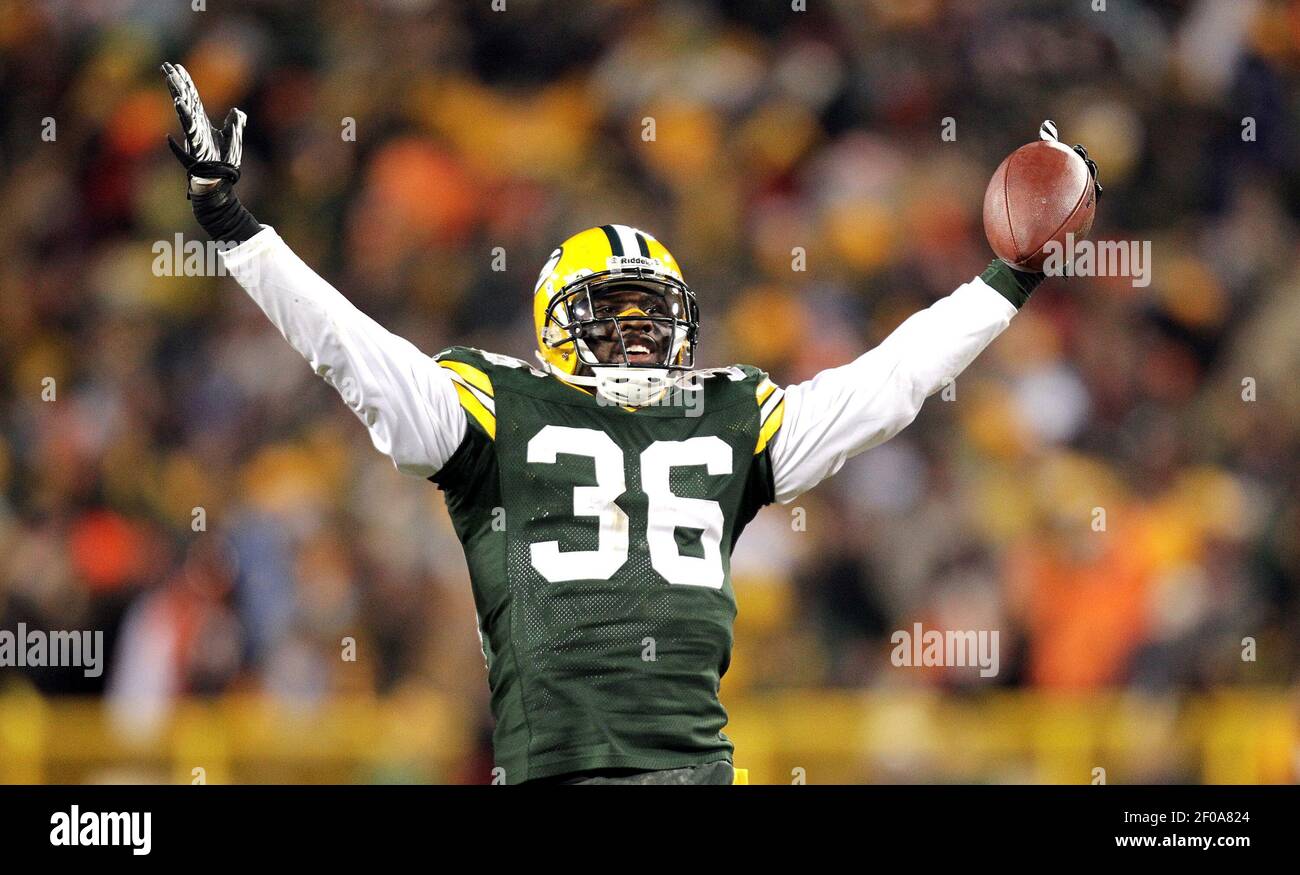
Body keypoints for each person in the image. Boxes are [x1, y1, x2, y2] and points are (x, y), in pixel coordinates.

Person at [161, 62, 1098, 785]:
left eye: (656, 313)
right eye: (619, 312)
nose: (644, 334)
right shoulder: (500, 404)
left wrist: (1009, 279)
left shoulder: (715, 411)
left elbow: (887, 384)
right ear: (558, 322)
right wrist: (239, 228)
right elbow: (354, 352)